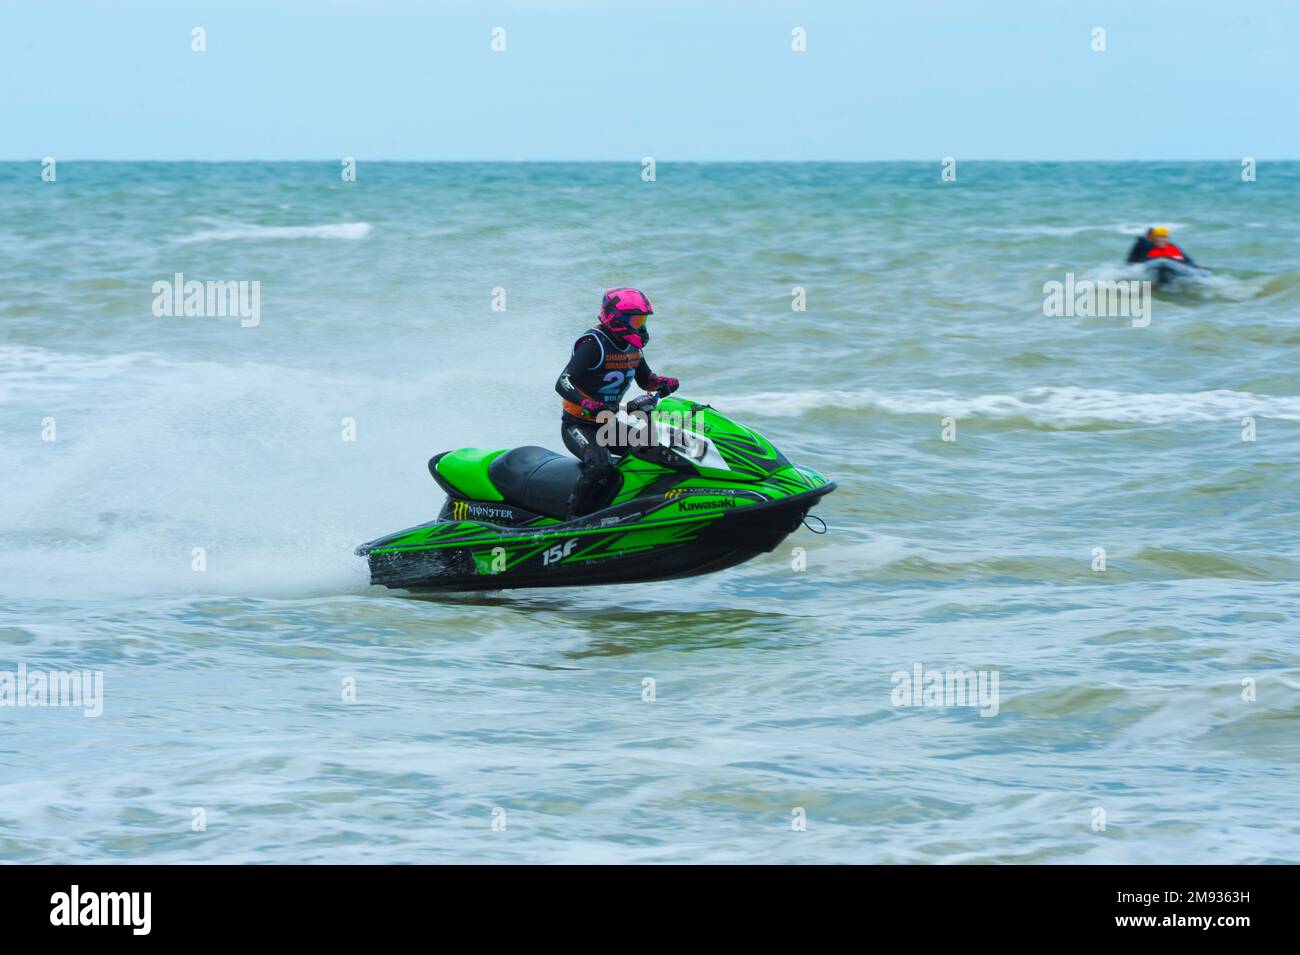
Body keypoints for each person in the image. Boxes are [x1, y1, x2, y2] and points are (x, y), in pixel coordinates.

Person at [554, 288, 680, 517]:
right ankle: (572, 519)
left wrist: (664, 382)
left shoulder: (633, 347)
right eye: (635, 319)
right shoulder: (593, 343)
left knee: (659, 451)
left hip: (608, 425)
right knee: (600, 466)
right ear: (616, 318)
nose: (640, 325)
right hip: (578, 425)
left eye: (642, 320)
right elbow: (563, 382)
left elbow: (646, 380)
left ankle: (651, 507)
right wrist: (588, 403)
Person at [1126, 226, 1196, 266]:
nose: (1160, 239)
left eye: (1162, 237)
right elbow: (1136, 259)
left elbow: (1184, 259)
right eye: (1157, 237)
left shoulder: (1170, 246)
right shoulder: (1143, 244)